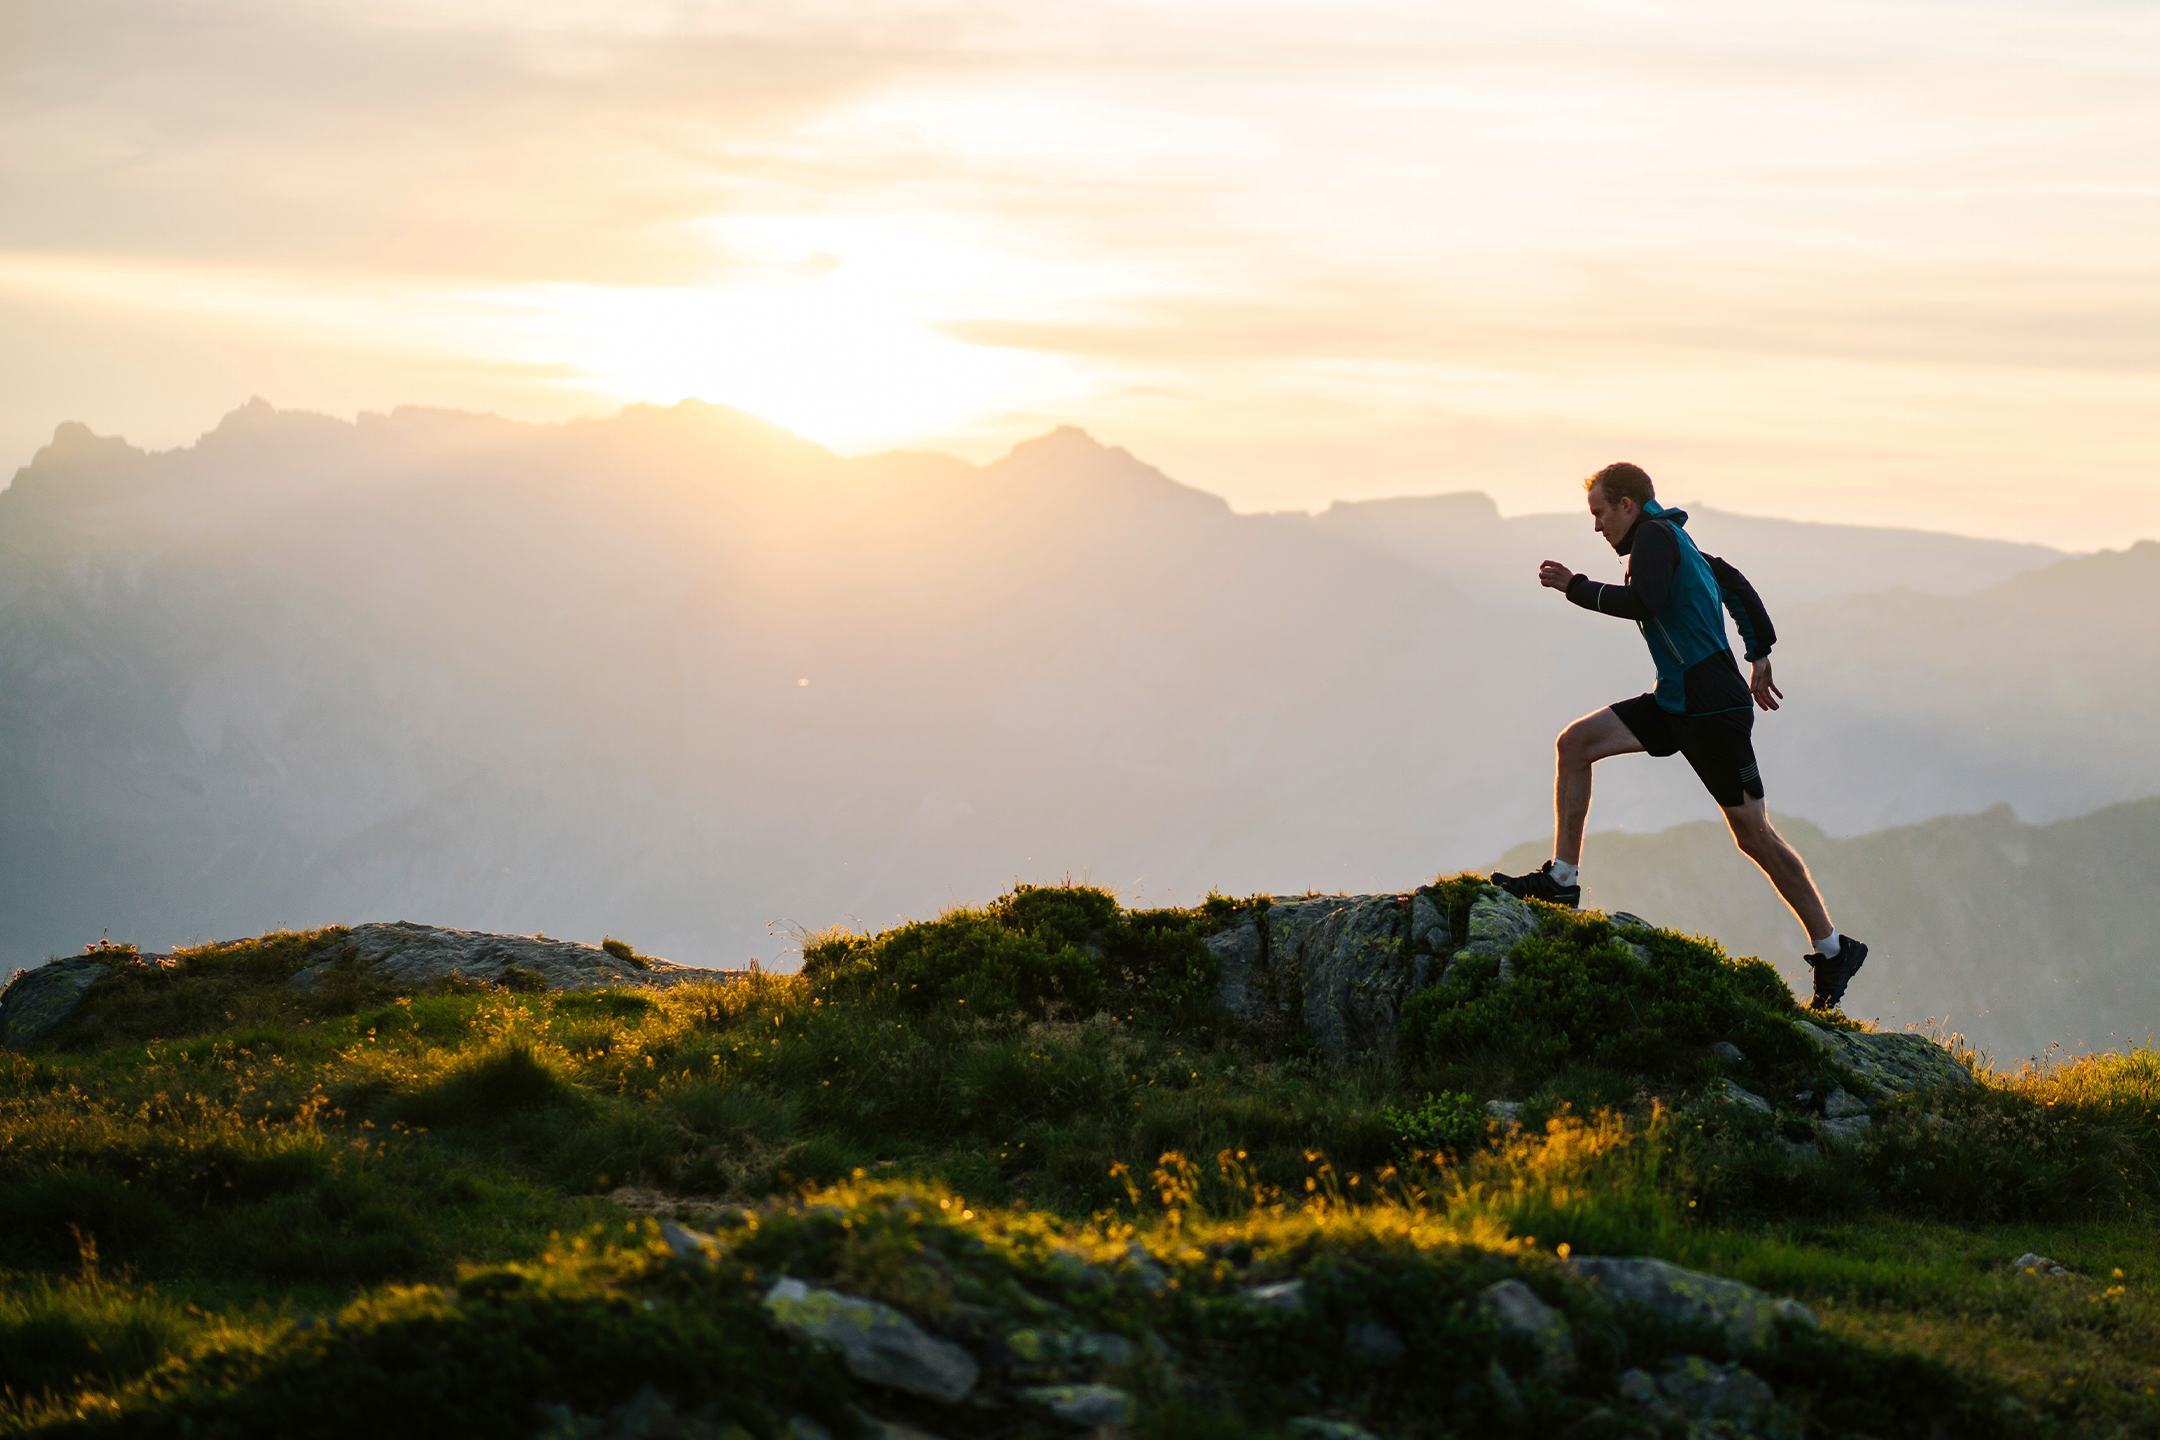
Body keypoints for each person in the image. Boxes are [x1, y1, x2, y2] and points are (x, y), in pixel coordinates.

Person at [1489, 461, 1868, 1012]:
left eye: (1599, 513)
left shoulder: (1655, 537)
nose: (1596, 526)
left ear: (1627, 505)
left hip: (1713, 707)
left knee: (1754, 835)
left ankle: (1834, 950)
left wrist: (1575, 587)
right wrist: (1759, 651)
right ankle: (1563, 881)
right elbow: (1732, 581)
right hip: (1676, 699)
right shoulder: (1674, 539)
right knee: (1575, 744)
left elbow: (1646, 602)